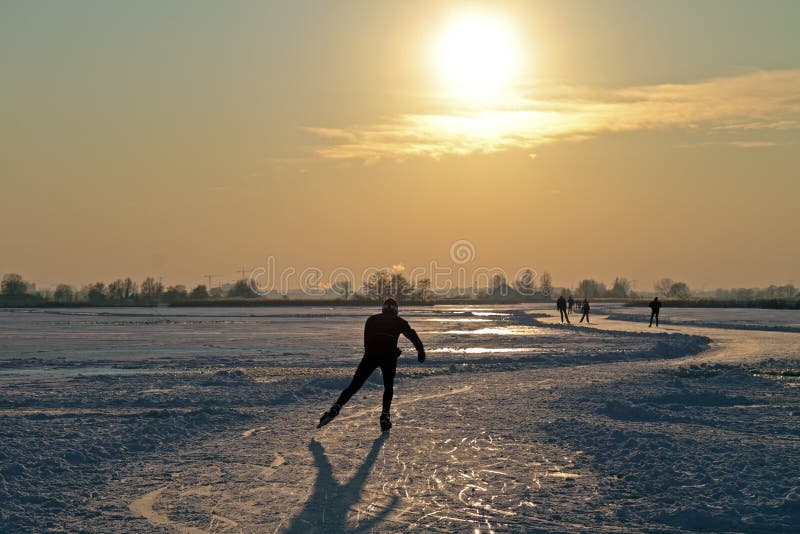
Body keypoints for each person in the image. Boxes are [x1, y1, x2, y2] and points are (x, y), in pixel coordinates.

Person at [317, 298, 426, 431]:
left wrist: (372, 353)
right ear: (396, 310)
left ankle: (336, 407)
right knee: (388, 386)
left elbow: (366, 341)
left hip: (370, 356)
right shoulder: (399, 321)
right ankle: (385, 414)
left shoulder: (372, 319)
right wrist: (420, 352)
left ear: (383, 309)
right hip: (388, 357)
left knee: (354, 385)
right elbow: (412, 335)